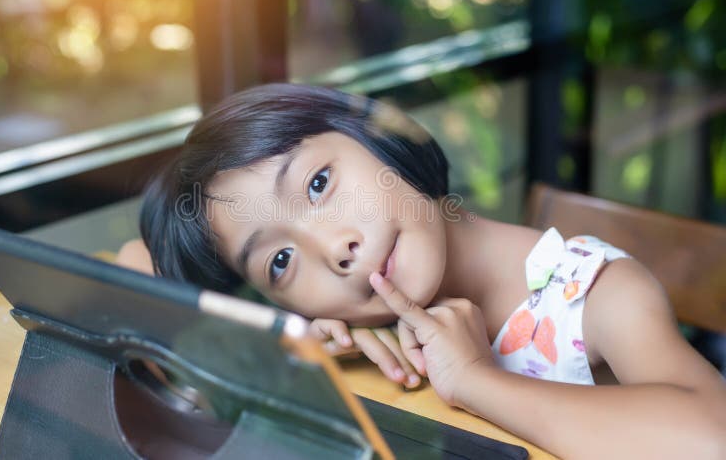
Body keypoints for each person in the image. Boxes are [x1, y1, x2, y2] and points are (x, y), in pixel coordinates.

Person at [116, 83, 726, 458]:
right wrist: (310, 322)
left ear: (380, 134)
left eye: (319, 184)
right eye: (280, 260)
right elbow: (133, 257)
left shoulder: (597, 294)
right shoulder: (357, 310)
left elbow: (710, 440)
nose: (335, 249)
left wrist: (477, 380)